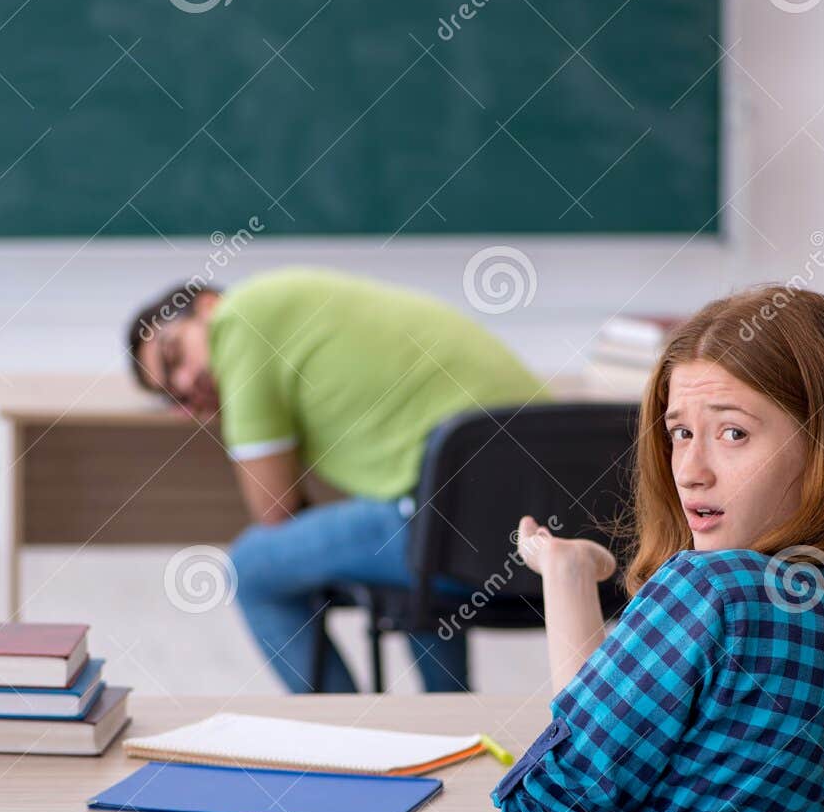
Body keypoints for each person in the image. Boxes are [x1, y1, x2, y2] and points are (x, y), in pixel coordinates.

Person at [236, 282, 824, 812]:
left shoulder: (708, 591)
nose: (691, 470)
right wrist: (566, 580)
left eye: (733, 433)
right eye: (679, 432)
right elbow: (619, 748)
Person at [127, 266, 550, 693]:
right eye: (173, 396)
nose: (185, 382)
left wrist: (237, 413)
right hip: (552, 526)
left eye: (174, 355)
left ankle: (347, 732)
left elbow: (274, 509)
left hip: (467, 533)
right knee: (402, 529)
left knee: (252, 567)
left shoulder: (237, 320)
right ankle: (451, 718)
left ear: (207, 306)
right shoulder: (299, 304)